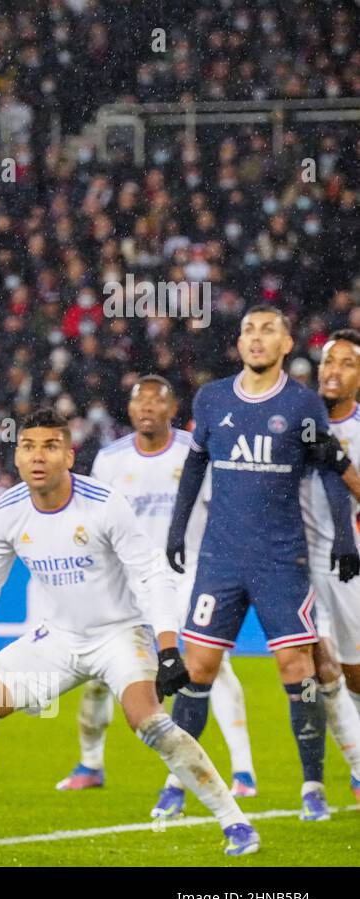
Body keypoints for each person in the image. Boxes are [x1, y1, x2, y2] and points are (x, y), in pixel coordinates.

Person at [0, 408, 259, 857]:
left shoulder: (103, 503)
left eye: (50, 447)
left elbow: (150, 573)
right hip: (56, 639)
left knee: (150, 723)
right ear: (18, 457)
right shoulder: (9, 511)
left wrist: (168, 647)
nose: (38, 456)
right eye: (29, 446)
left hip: (119, 635)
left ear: (69, 456)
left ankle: (236, 823)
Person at [158, 306, 359, 823]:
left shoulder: (303, 405)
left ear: (287, 343)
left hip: (281, 560)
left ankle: (312, 786)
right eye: (249, 328)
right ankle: (176, 784)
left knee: (299, 671)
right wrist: (177, 529)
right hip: (220, 559)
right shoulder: (213, 397)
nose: (256, 337)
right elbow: (196, 463)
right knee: (196, 670)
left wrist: (342, 536)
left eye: (268, 329)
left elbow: (332, 472)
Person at [54, 375, 257, 796]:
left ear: (171, 409)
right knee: (95, 674)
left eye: (156, 400)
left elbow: (224, 507)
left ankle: (243, 772)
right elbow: (93, 523)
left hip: (190, 575)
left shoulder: (194, 451)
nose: (146, 407)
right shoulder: (110, 461)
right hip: (128, 583)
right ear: (129, 410)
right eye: (139, 400)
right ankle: (90, 764)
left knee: (212, 666)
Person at [298, 329, 360, 806]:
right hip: (296, 560)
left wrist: (341, 464)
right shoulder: (295, 416)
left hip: (349, 563)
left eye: (346, 363)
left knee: (353, 673)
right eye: (328, 361)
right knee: (318, 666)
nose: (333, 370)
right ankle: (351, 773)